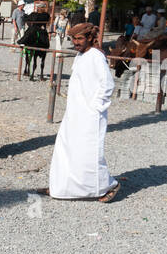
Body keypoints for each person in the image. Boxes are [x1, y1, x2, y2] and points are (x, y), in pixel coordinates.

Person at [47, 22, 119, 202]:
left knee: (89, 153)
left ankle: (107, 186)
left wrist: (94, 108)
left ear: (89, 38)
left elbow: (107, 84)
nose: (76, 42)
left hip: (90, 114)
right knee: (68, 149)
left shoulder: (96, 56)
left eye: (79, 38)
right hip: (75, 112)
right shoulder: (81, 55)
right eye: (73, 39)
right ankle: (63, 188)